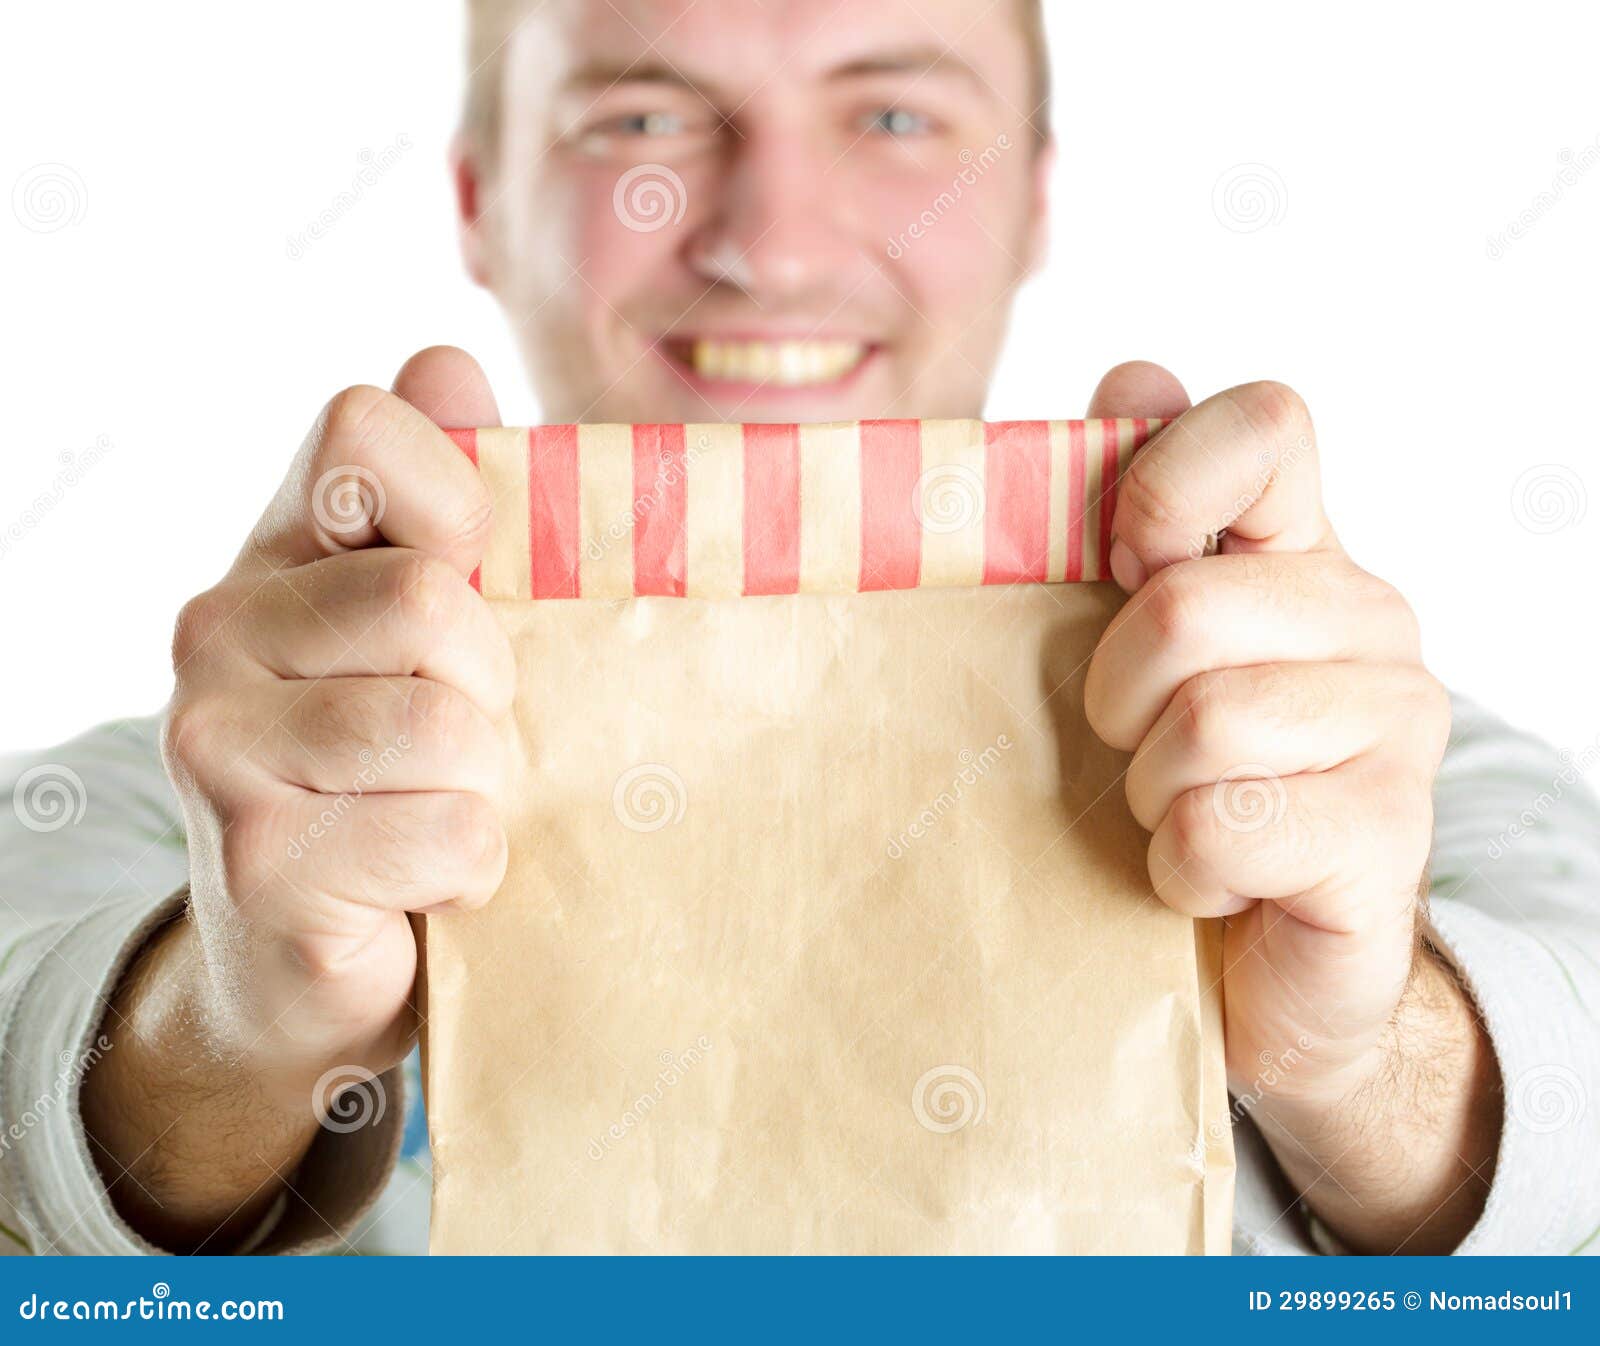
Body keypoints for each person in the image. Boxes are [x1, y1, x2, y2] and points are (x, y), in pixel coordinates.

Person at [2, 0, 1596, 1258]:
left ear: (1032, 197)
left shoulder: (1391, 782)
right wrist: (224, 1022)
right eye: (640, 117)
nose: (770, 241)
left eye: (895, 115)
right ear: (481, 201)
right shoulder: (182, 804)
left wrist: (1367, 1057)